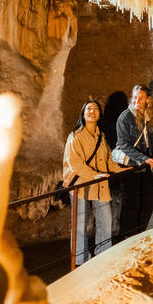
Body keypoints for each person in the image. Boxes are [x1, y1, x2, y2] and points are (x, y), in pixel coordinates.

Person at [62, 100, 125, 265]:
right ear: (83, 114)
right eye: (89, 109)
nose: (92, 111)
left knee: (105, 219)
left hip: (100, 183)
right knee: (80, 223)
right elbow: (75, 163)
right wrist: (93, 175)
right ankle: (80, 259)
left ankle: (103, 254)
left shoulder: (101, 136)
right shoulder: (74, 136)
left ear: (99, 114)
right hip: (80, 184)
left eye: (96, 109)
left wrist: (119, 170)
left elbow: (107, 160)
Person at [111, 84, 153, 238]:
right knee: (132, 204)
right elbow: (123, 145)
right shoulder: (125, 117)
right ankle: (126, 238)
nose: (137, 100)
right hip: (131, 167)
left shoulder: (151, 117)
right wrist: (145, 158)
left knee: (149, 202)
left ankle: (139, 235)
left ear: (148, 100)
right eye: (135, 97)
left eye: (141, 98)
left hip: (146, 167)